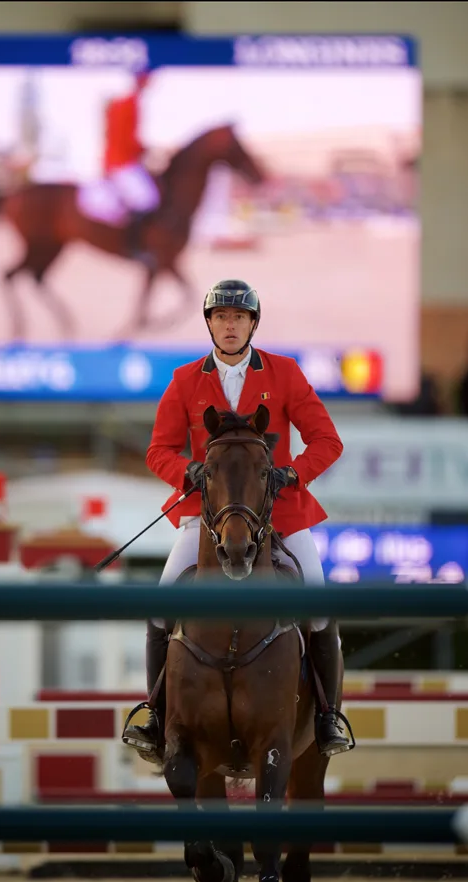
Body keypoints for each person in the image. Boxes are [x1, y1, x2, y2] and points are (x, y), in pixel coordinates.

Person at [122, 279, 352, 759]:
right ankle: (156, 715)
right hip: (206, 520)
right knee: (161, 606)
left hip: (281, 516)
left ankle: (328, 716)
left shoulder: (284, 373)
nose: (230, 325)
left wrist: (291, 473)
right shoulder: (186, 379)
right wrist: (186, 470)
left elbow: (327, 442)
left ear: (252, 324)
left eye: (239, 318)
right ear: (209, 324)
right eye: (221, 318)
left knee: (320, 603)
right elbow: (157, 450)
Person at [102, 70, 160, 261]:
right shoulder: (129, 103)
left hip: (124, 161)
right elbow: (126, 140)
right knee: (146, 199)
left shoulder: (127, 102)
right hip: (122, 162)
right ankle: (133, 246)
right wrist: (145, 150)